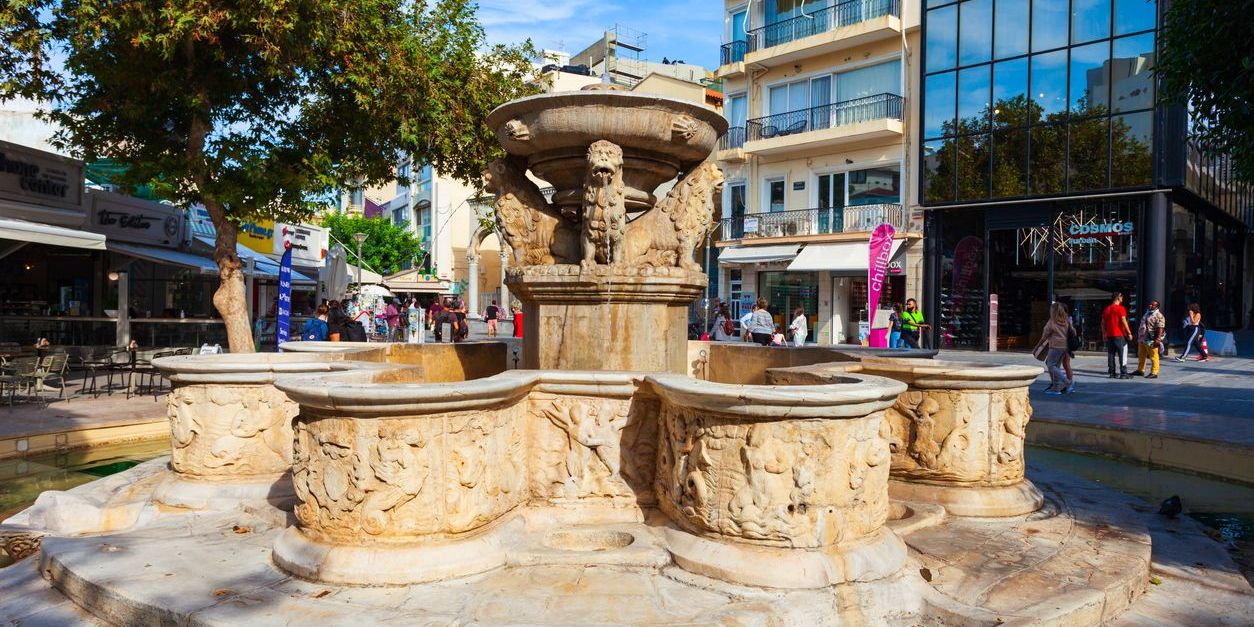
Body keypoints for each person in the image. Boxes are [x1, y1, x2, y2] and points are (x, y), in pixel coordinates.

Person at [1035, 302, 1073, 395]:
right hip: (1065, 347)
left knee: (1051, 365)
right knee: (1056, 365)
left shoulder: (1052, 322)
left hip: (1055, 346)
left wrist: (1037, 347)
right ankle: (1056, 387)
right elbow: (1072, 332)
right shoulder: (1066, 321)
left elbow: (1044, 336)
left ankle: (1066, 381)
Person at [1101, 292, 1133, 379]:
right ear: (1118, 298)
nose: (1122, 298)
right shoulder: (1120, 308)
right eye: (1121, 297)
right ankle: (1123, 373)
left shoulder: (1107, 309)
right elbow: (1124, 321)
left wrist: (1104, 333)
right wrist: (1129, 332)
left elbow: (1103, 323)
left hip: (1110, 335)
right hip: (1119, 335)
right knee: (1122, 354)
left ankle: (1112, 373)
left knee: (1111, 354)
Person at [1132, 300, 1165, 378]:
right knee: (1141, 355)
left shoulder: (1159, 315)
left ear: (1157, 307)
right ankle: (1140, 370)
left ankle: (1154, 372)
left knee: (1153, 356)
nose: (1150, 305)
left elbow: (1161, 327)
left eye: (1153, 305)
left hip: (1151, 339)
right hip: (1143, 338)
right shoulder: (1147, 313)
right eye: (1150, 304)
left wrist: (1158, 339)